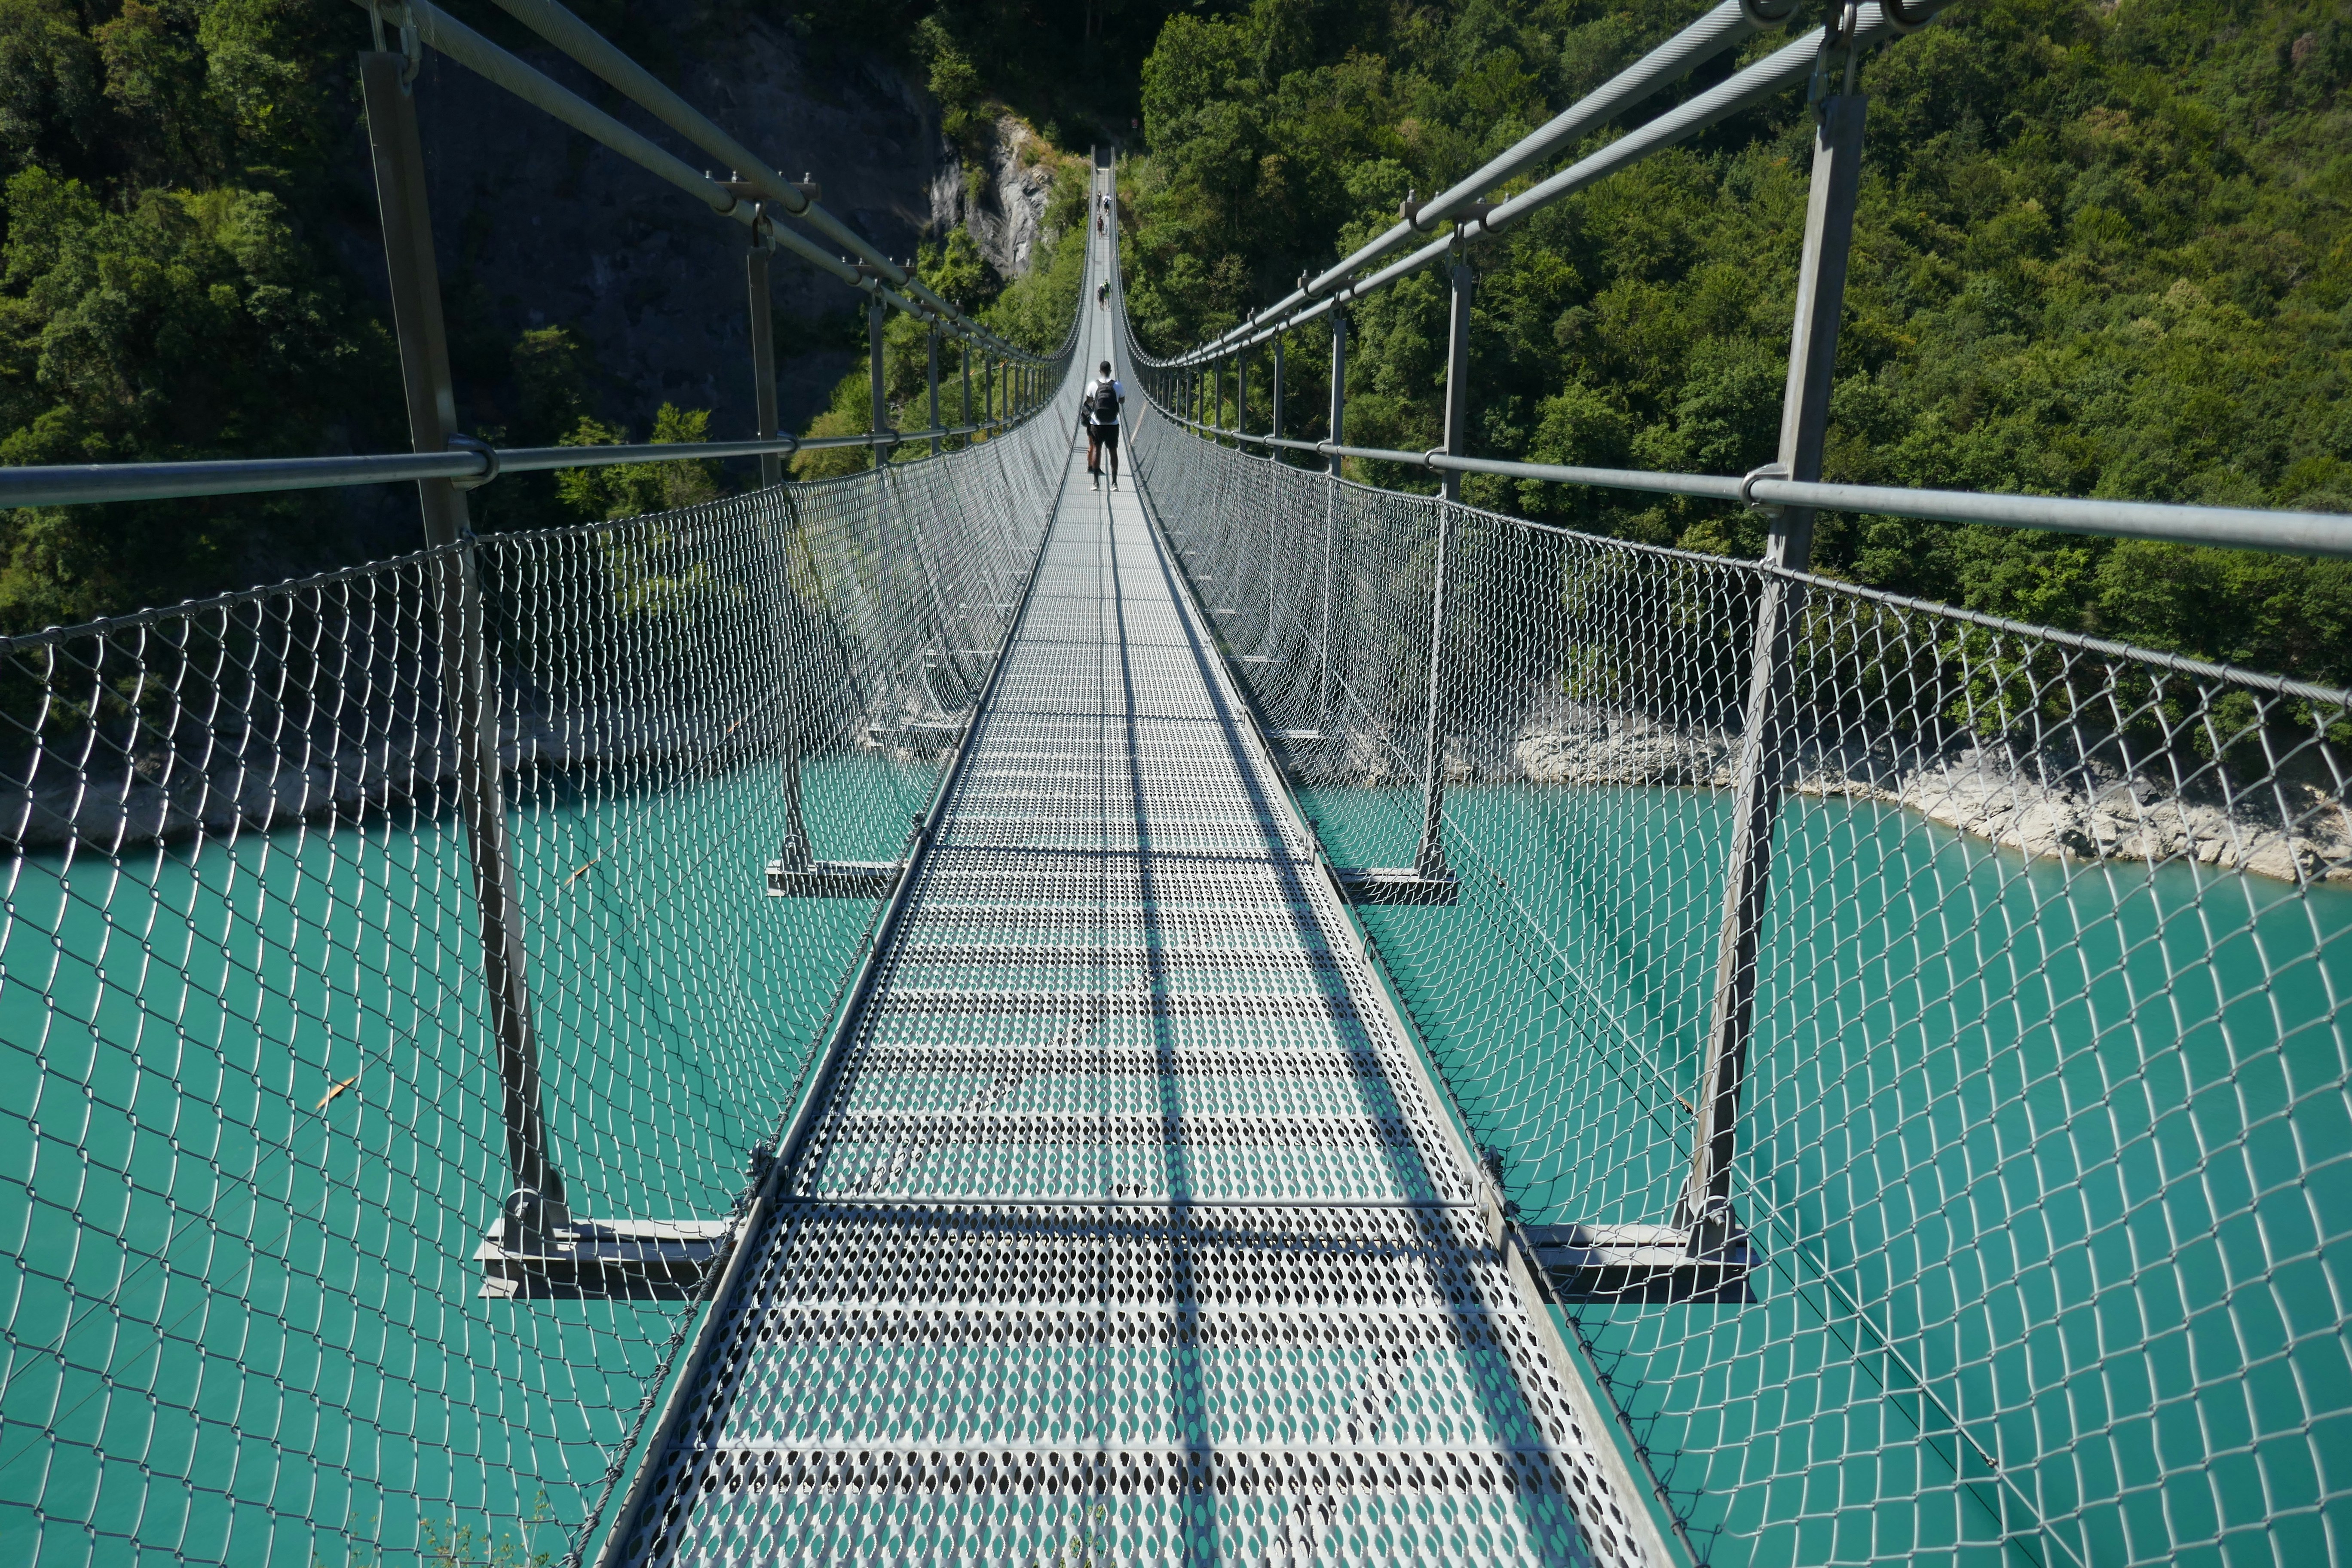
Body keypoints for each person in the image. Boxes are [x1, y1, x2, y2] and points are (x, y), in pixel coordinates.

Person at [1078, 360, 1124, 491]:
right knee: (1113, 451)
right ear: (1110, 371)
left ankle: (1096, 483)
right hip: (1113, 424)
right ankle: (1114, 483)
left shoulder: (1093, 384)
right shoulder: (1117, 385)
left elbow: (1089, 401)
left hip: (1096, 424)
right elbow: (1122, 400)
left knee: (1097, 450)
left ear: (1100, 371)